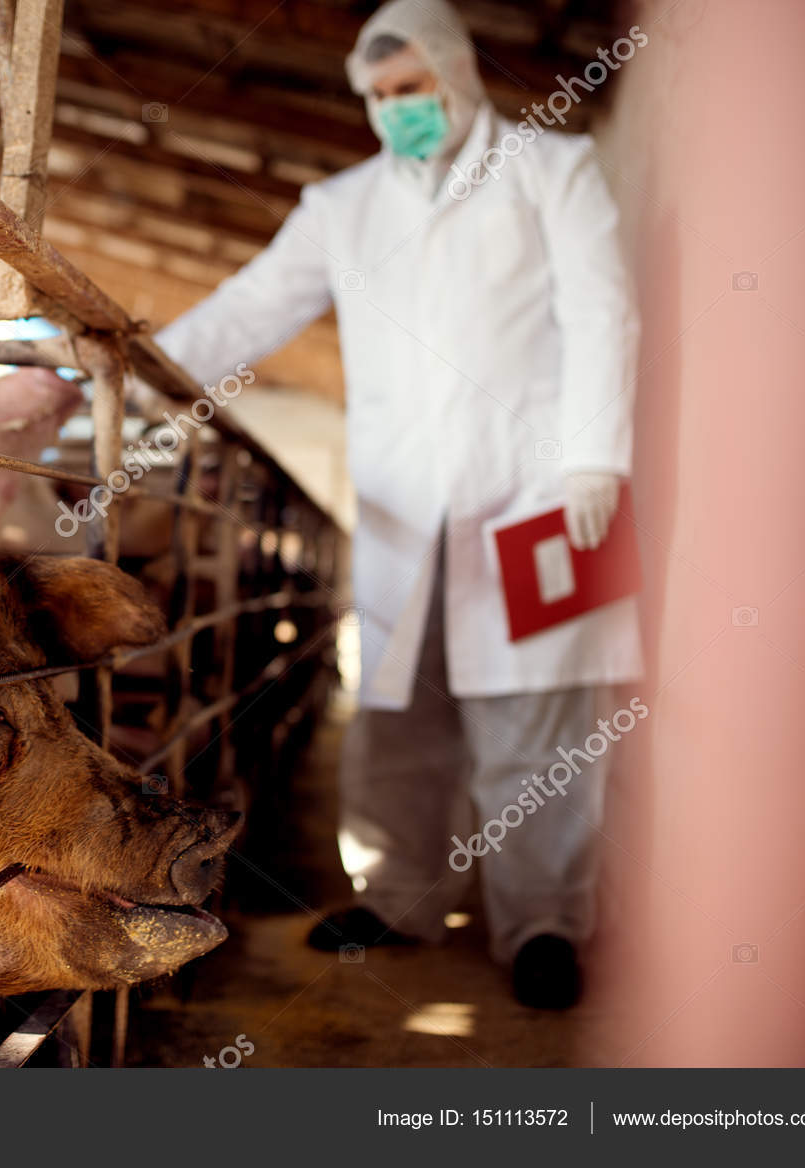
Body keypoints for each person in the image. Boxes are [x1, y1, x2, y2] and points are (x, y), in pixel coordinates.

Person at [156, 0, 641, 1008]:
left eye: (409, 89)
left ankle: (545, 921)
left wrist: (596, 456)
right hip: (400, 509)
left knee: (535, 724)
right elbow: (251, 306)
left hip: (537, 495)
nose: (393, 112)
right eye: (376, 97)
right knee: (396, 714)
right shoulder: (342, 207)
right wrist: (128, 364)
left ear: (459, 75)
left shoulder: (550, 173)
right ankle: (401, 899)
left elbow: (604, 310)